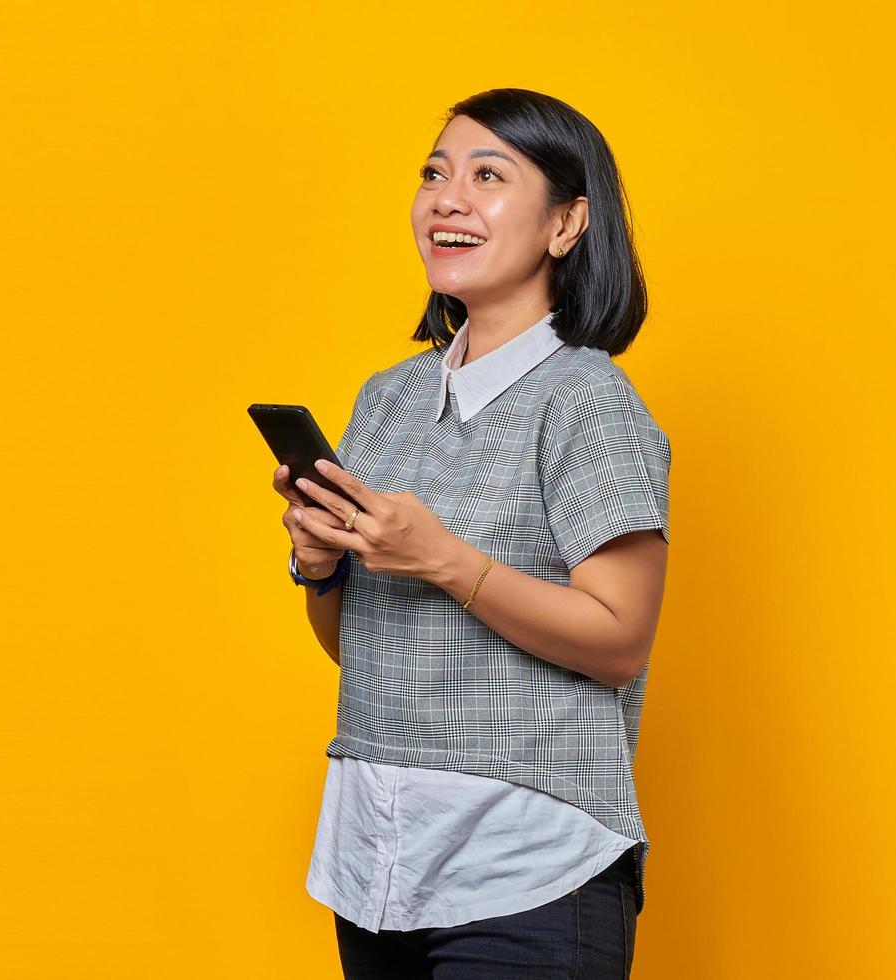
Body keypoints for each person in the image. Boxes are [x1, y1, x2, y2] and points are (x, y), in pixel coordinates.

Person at [270, 88, 671, 978]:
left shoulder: (589, 404)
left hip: (528, 864)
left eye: (488, 176)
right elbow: (359, 647)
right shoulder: (389, 399)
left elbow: (619, 642)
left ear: (567, 224)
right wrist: (320, 562)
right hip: (376, 857)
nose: (448, 199)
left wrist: (444, 559)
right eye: (434, 174)